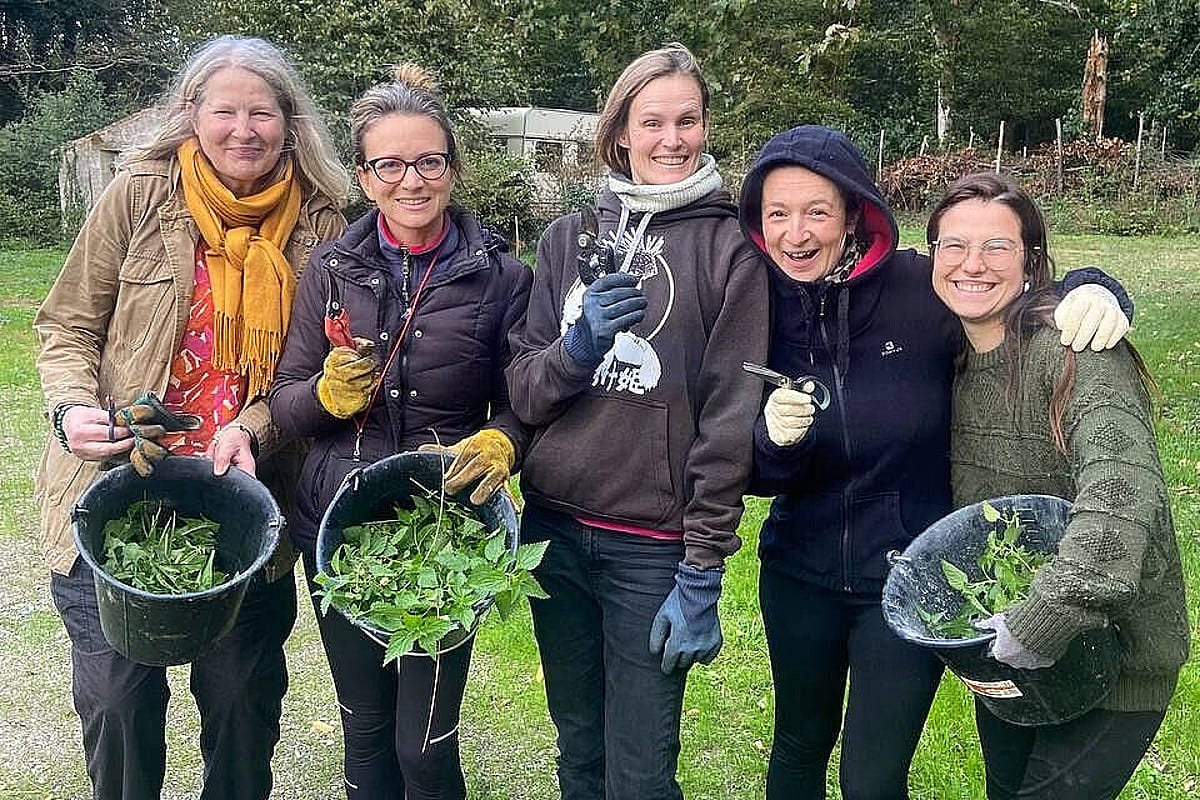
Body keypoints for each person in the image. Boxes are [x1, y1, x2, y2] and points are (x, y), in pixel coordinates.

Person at [737, 125, 1134, 800]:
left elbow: (1004, 291)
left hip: (910, 576)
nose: (795, 233)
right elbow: (748, 472)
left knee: (871, 779)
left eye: (816, 212)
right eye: (777, 213)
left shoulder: (921, 290)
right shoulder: (757, 305)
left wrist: (1095, 288)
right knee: (799, 745)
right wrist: (771, 441)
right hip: (797, 572)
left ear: (853, 213)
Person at [34, 35, 348, 799]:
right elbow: (67, 324)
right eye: (225, 111)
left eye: (262, 113)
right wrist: (73, 407)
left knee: (243, 703)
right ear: (191, 114)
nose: (244, 130)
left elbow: (315, 375)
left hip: (244, 497)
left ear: (289, 122)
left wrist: (257, 426)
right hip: (118, 486)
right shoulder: (139, 196)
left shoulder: (323, 225)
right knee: (117, 702)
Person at [505, 43, 768, 799]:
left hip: (650, 551)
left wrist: (703, 569)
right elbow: (525, 392)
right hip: (555, 534)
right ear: (621, 131)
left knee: (642, 772)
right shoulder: (566, 239)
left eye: (687, 120)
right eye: (652, 122)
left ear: (706, 125)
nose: (671, 139)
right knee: (578, 750)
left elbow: (728, 421)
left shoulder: (731, 250)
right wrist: (575, 349)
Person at [268, 64, 532, 800]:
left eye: (428, 161)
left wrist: (505, 441)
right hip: (340, 529)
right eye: (389, 164)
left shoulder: (503, 278)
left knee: (423, 746)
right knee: (364, 734)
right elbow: (286, 403)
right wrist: (324, 395)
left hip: (446, 532)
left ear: (453, 168)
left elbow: (525, 402)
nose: (411, 180)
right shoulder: (331, 268)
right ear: (364, 176)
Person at [928, 172, 1189, 800]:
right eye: (954, 245)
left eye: (997, 246)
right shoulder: (945, 356)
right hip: (1010, 650)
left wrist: (1047, 615)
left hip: (1114, 653)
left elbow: (1122, 490)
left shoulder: (1075, 351)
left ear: (1031, 260)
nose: (972, 264)